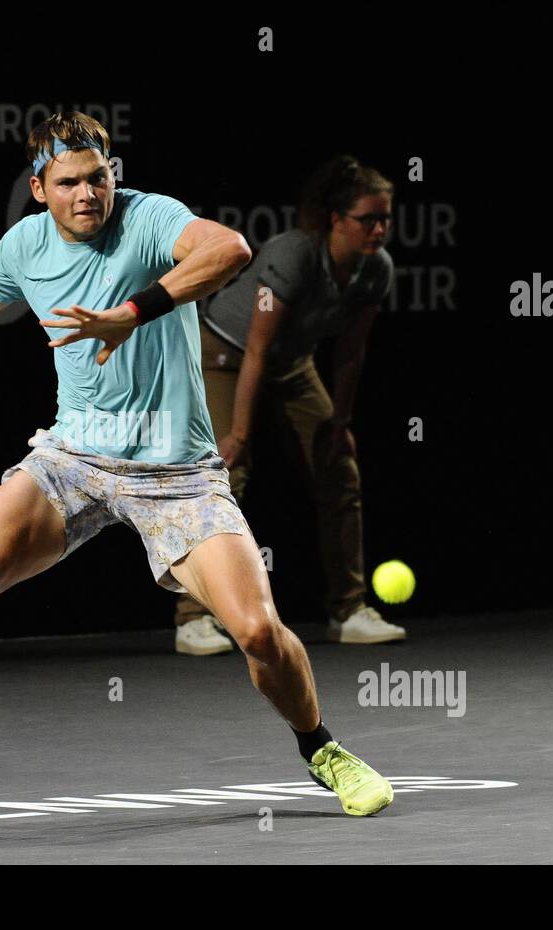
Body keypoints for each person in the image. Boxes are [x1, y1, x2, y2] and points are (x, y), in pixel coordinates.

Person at [0, 113, 394, 821]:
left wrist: (133, 311)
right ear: (38, 188)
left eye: (98, 177)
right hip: (73, 458)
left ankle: (323, 749)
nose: (87, 193)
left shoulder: (150, 219)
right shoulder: (24, 246)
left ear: (113, 174)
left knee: (259, 631)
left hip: (176, 472)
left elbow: (229, 249)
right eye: (68, 183)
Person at [174, 156, 407, 656]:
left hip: (292, 364)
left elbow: (350, 352)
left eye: (386, 218)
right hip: (224, 355)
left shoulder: (376, 269)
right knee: (223, 476)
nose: (379, 229)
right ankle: (193, 619)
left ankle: (348, 611)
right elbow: (256, 348)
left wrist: (340, 422)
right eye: (369, 219)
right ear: (334, 219)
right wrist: (239, 433)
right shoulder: (292, 255)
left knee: (339, 468)